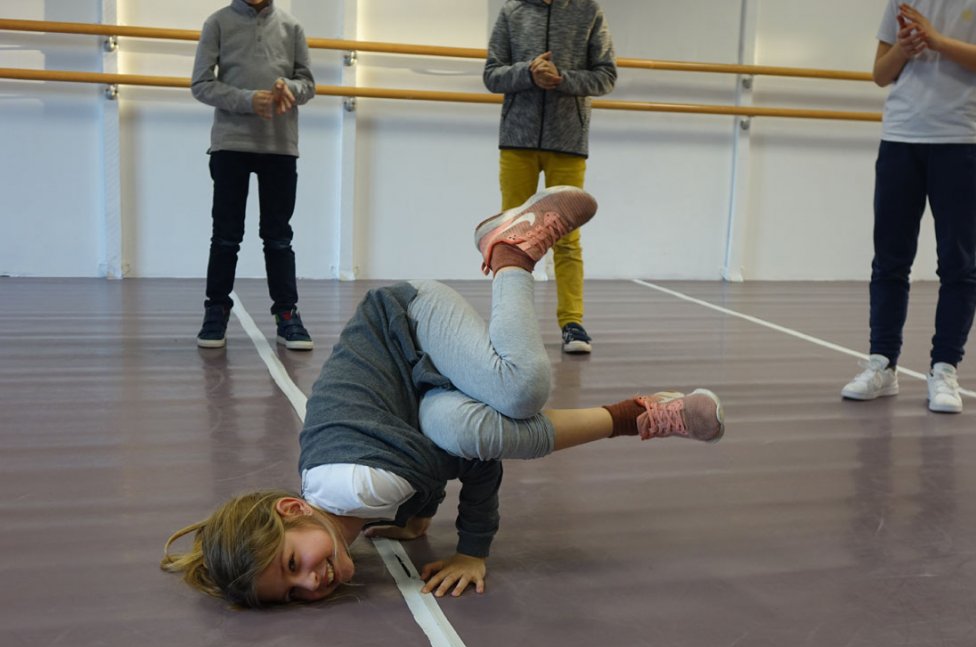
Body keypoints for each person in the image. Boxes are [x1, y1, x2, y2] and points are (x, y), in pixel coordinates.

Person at [162, 187, 726, 608]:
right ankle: (642, 412)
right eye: (291, 591)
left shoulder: (363, 484)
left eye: (292, 563)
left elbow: (476, 468)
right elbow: (410, 453)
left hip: (408, 323)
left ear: (292, 509)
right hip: (423, 392)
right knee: (472, 428)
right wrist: (412, 520)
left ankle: (510, 253)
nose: (311, 581)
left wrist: (472, 548)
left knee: (517, 393)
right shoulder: (351, 502)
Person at [841, 1, 976, 413]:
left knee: (957, 263)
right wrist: (903, 49)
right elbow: (879, 74)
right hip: (901, 139)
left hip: (961, 143)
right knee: (889, 261)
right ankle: (882, 364)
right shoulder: (902, 3)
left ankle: (944, 369)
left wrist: (939, 41)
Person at [483, 0, 617, 354]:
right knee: (510, 237)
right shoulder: (512, 12)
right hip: (517, 141)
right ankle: (507, 323)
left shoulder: (588, 11)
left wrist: (563, 79)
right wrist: (528, 73)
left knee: (568, 238)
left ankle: (572, 323)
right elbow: (491, 75)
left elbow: (607, 76)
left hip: (568, 141)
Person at [190, 0, 316, 350]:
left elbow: (308, 83)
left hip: (280, 146)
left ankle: (287, 315)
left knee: (278, 237)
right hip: (230, 145)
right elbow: (200, 84)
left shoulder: (292, 28)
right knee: (226, 235)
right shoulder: (217, 23)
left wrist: (289, 90)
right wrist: (248, 100)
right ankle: (216, 311)